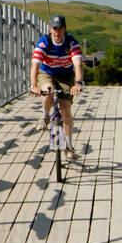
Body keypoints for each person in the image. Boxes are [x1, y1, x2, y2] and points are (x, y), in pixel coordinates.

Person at [30, 15, 84, 154]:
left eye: (60, 29)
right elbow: (35, 65)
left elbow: (77, 64)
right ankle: (45, 115)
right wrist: (33, 85)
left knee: (65, 108)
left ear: (65, 29)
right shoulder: (44, 42)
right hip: (47, 73)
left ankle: (69, 146)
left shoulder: (72, 43)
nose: (57, 32)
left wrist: (77, 83)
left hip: (66, 75)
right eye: (54, 28)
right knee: (49, 90)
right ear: (50, 29)